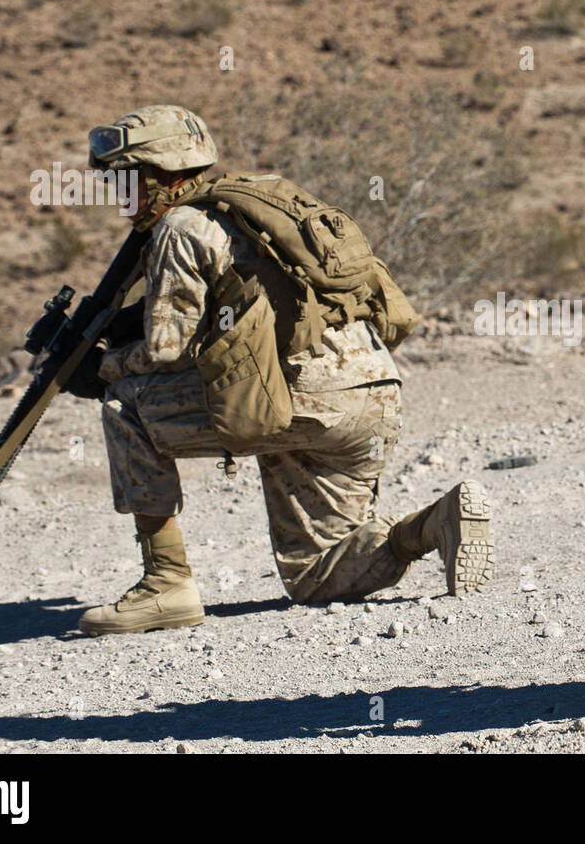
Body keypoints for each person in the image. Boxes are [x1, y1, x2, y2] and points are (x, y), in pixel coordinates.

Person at [72, 104, 494, 636]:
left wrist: (103, 367)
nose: (117, 197)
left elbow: (165, 350)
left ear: (160, 176)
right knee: (316, 576)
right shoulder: (258, 204)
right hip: (374, 394)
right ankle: (432, 525)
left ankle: (165, 585)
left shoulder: (181, 227)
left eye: (124, 182)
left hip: (296, 399)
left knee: (126, 402)